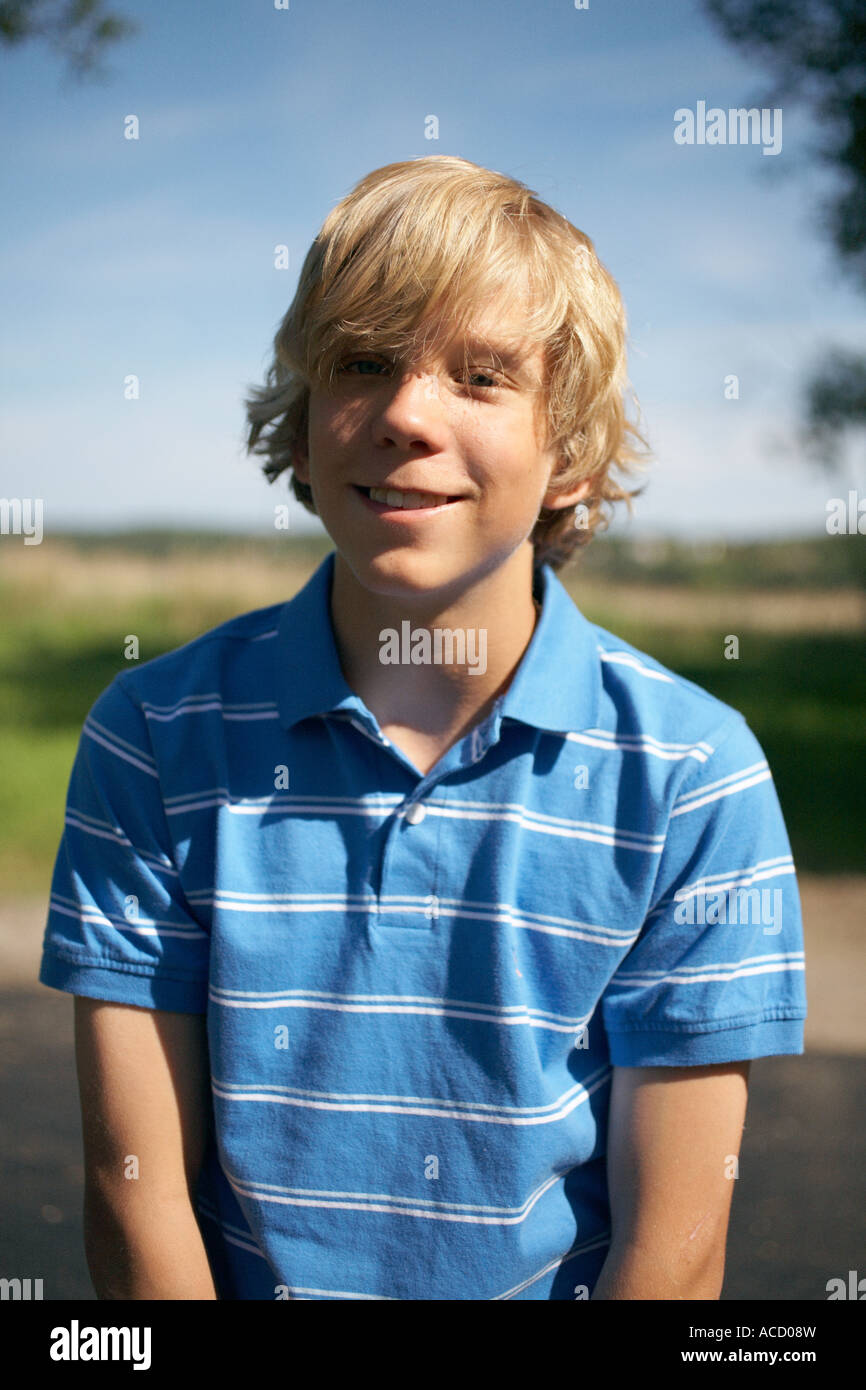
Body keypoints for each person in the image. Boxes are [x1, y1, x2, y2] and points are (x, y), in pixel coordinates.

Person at [38, 155, 807, 1300]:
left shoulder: (690, 776)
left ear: (570, 450)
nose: (404, 412)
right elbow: (134, 1187)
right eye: (361, 362)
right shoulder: (154, 735)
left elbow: (675, 1252)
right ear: (301, 426)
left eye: (481, 376)